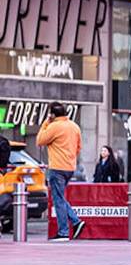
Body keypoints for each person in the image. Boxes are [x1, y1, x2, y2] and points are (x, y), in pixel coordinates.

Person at [36, 102, 85, 241]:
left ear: (52, 114)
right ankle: (75, 223)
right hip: (70, 167)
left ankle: (65, 230)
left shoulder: (54, 126)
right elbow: (78, 147)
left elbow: (40, 140)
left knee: (58, 199)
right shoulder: (74, 126)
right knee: (60, 197)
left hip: (57, 167)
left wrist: (46, 122)